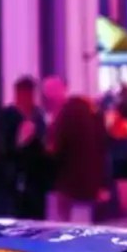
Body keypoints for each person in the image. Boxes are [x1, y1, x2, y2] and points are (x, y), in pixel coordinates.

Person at [48, 94, 109, 222]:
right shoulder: (94, 117)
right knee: (83, 220)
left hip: (67, 182)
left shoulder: (65, 115)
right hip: (88, 182)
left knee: (64, 220)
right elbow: (102, 149)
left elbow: (58, 149)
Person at [0, 77, 49, 220]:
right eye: (23, 94)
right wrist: (19, 141)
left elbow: (43, 140)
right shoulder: (7, 116)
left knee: (36, 214)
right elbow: (1, 145)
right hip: (14, 173)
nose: (26, 98)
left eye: (29, 94)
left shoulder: (38, 115)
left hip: (35, 176)